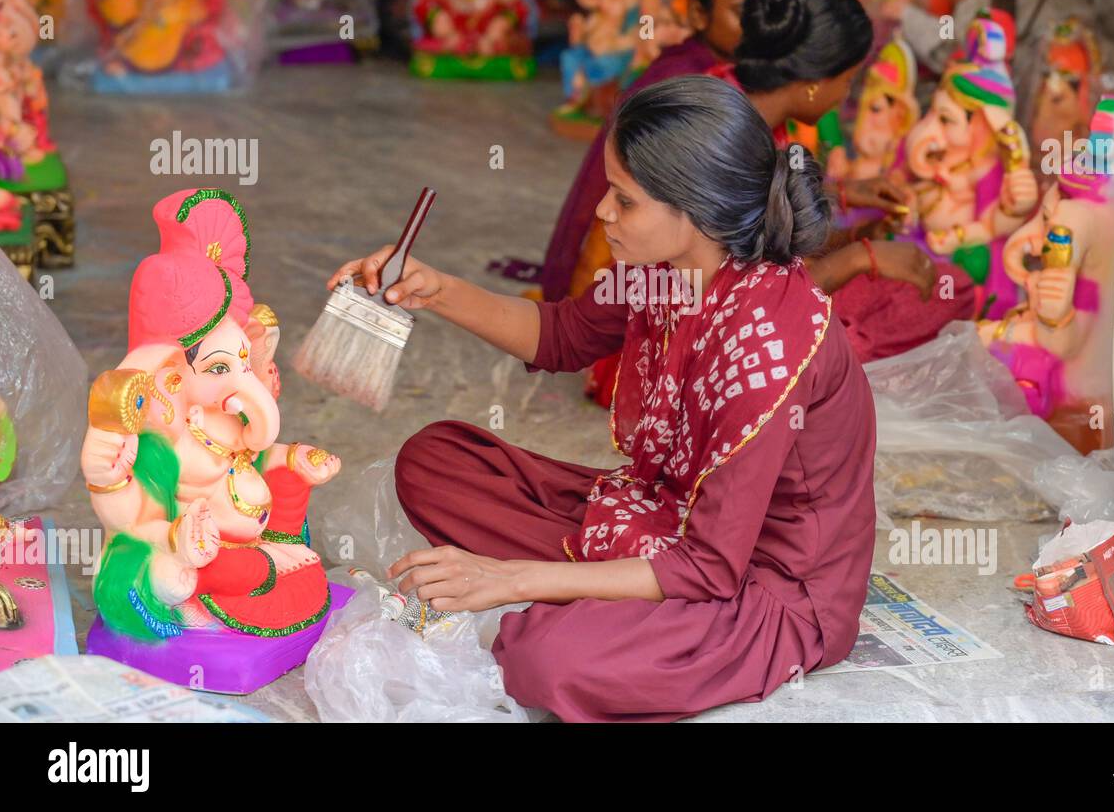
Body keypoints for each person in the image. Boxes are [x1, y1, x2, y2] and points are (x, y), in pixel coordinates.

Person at [331, 76, 876, 722]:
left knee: (542, 660)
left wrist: (509, 580)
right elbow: (563, 336)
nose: (602, 213)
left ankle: (593, 612)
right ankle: (603, 602)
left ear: (695, 212)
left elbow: (707, 568)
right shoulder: (668, 271)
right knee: (434, 462)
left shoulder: (767, 343)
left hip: (766, 588)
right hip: (664, 515)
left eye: (625, 200)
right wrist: (435, 290)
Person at [709, 0, 977, 362]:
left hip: (763, 301)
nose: (846, 96)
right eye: (848, 81)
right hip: (728, 331)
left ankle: (836, 351)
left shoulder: (745, 106)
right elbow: (742, 291)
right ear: (814, 83)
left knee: (949, 285)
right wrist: (857, 258)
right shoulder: (725, 139)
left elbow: (774, 235)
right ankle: (830, 358)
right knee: (926, 293)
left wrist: (849, 221)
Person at [536, 0, 781, 303]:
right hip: (626, 248)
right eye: (741, 11)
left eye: (767, 10)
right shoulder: (686, 75)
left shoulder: (724, 69)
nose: (758, 25)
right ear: (698, 14)